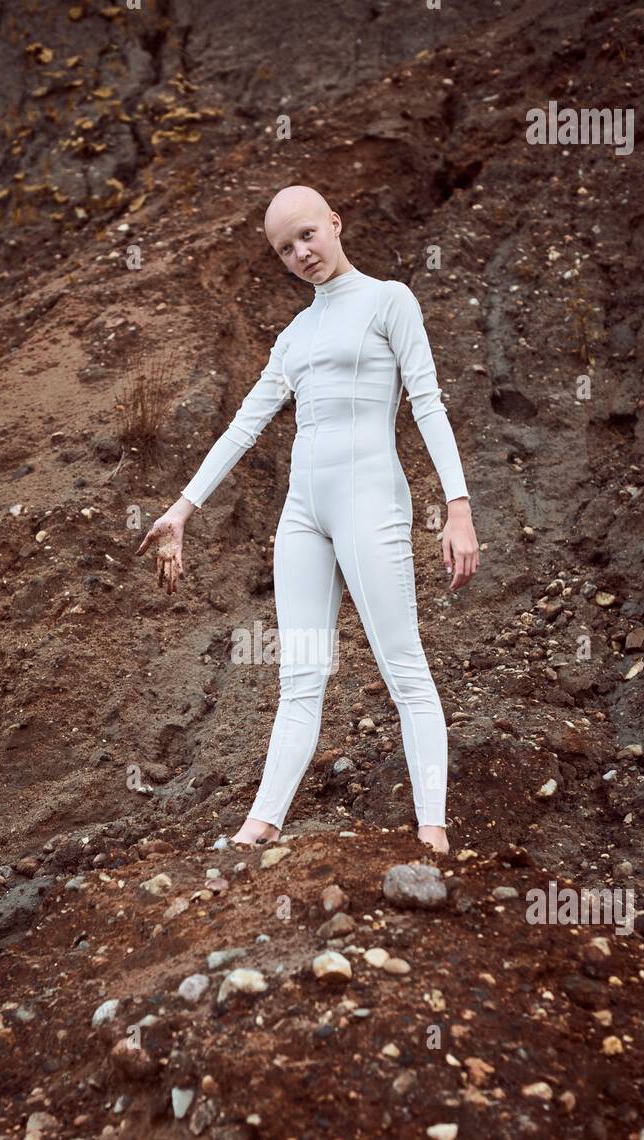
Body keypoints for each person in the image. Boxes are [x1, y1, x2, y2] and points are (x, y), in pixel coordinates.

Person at [139, 185, 479, 853]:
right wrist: (182, 508)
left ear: (335, 222)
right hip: (303, 515)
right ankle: (259, 825)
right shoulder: (294, 335)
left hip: (372, 502)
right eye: (284, 248)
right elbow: (245, 425)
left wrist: (458, 507)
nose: (300, 252)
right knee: (299, 674)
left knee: (403, 666)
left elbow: (428, 404)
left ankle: (432, 831)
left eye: (307, 235)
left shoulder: (389, 301)